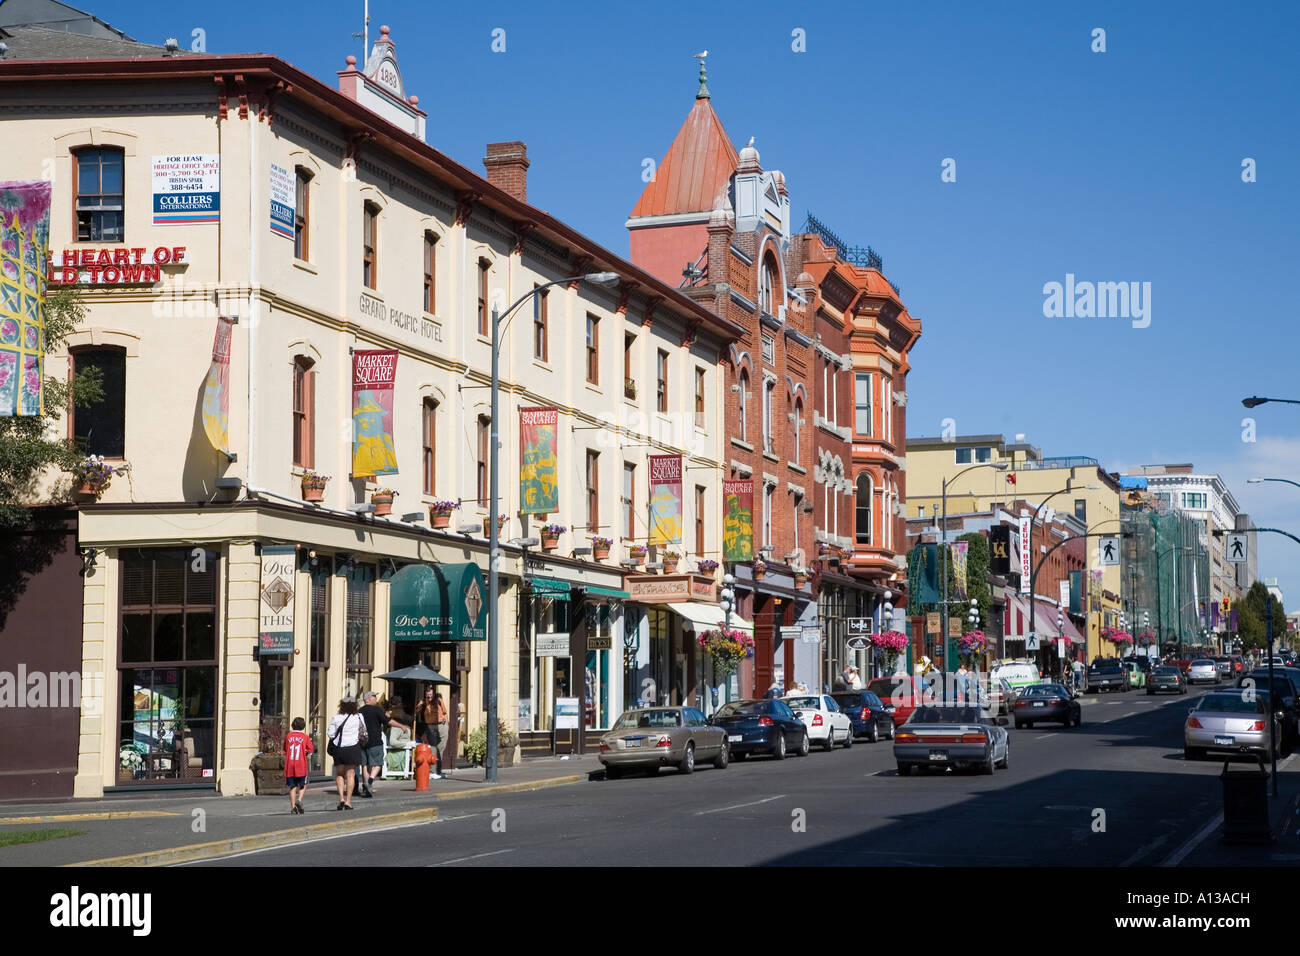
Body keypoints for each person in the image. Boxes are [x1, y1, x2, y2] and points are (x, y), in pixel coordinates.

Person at [359, 690, 408, 797]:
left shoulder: (360, 711)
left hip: (362, 742)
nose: (376, 699)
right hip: (375, 741)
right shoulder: (377, 710)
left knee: (365, 765)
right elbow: (388, 721)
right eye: (374, 697)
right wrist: (402, 726)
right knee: (378, 763)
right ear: (369, 699)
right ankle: (370, 782)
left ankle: (364, 785)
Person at [326, 696, 368, 810]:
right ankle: (348, 801)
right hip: (353, 747)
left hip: (339, 748)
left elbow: (330, 734)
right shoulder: (359, 717)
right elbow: (363, 732)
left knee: (339, 774)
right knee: (351, 775)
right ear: (355, 706)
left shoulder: (336, 718)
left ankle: (341, 798)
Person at [283, 716, 313, 815]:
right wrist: (306, 753)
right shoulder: (305, 737)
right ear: (303, 726)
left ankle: (293, 807)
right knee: (303, 784)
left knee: (292, 786)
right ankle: (299, 800)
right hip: (301, 764)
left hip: (290, 764)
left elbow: (285, 749)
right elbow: (310, 750)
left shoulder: (288, 736)